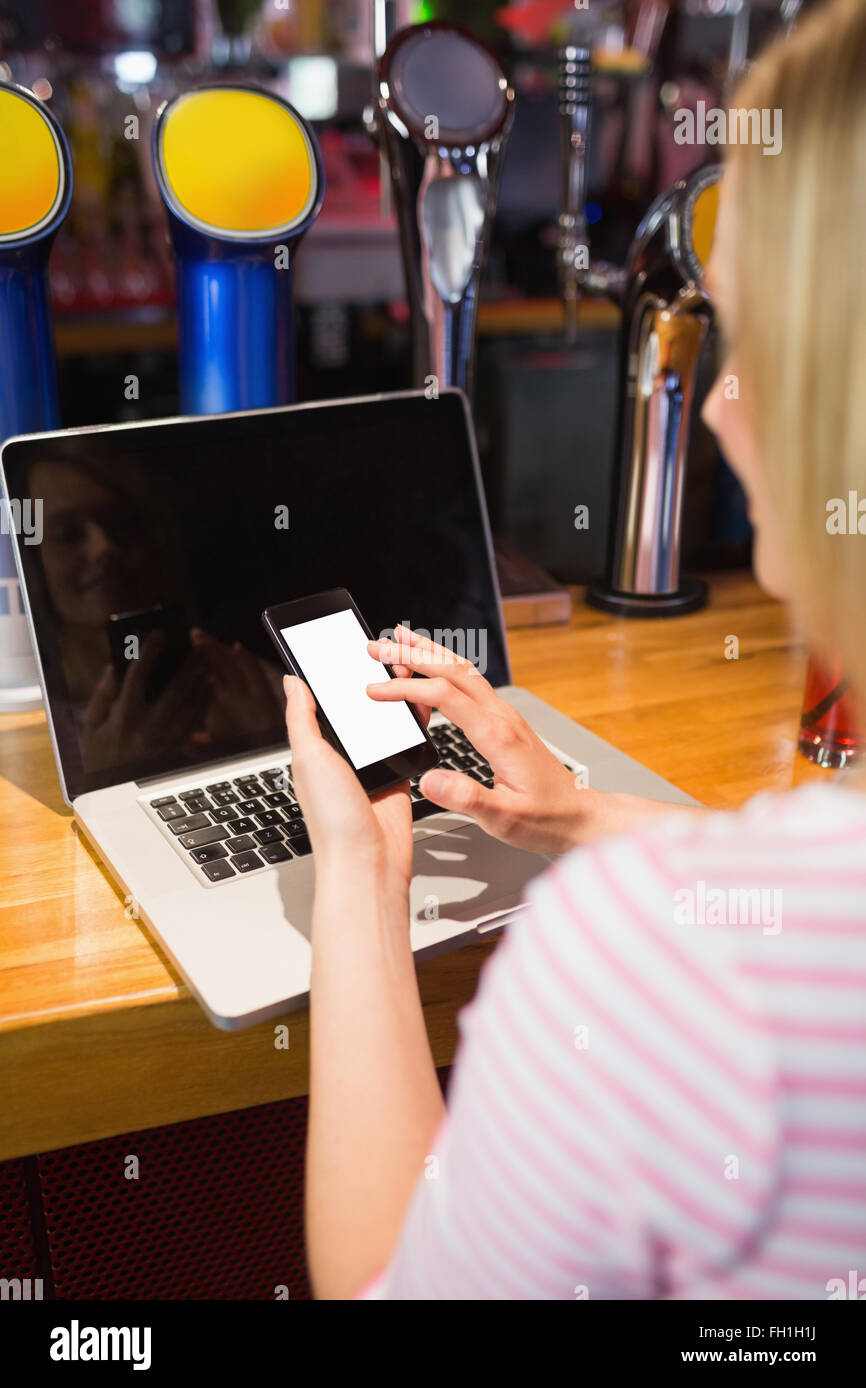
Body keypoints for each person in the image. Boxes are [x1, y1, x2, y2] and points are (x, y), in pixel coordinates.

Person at [284, 0, 866, 1299]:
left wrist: (361, 880)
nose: (714, 400)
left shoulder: (651, 969)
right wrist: (580, 815)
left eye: (758, 347)